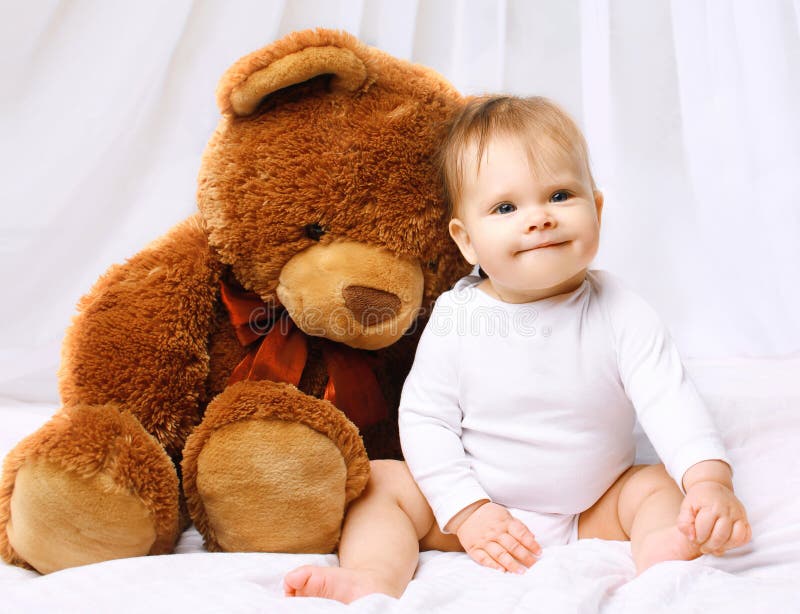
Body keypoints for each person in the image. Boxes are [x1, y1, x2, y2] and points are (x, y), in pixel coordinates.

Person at [283, 95, 752, 603]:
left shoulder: (621, 310)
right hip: (476, 507)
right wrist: (467, 511)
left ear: (596, 208)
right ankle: (375, 575)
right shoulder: (458, 318)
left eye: (560, 195)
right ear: (466, 242)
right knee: (379, 484)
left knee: (659, 485)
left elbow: (670, 399)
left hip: (593, 507)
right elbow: (426, 421)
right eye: (506, 207)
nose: (539, 219)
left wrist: (709, 481)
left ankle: (662, 555)